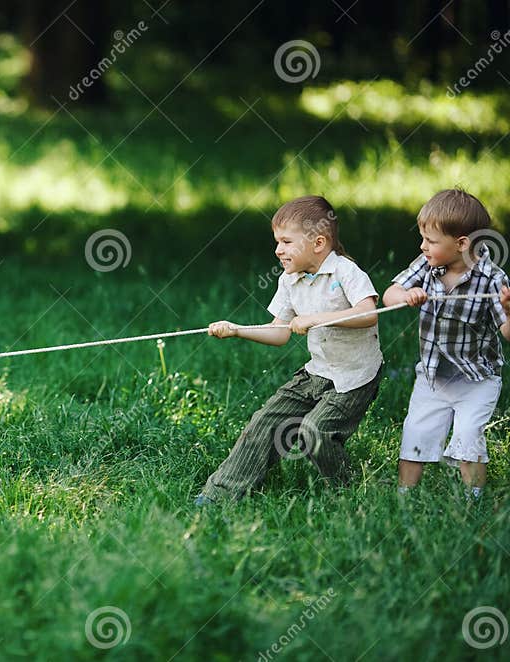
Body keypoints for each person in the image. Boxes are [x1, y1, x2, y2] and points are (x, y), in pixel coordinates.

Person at [195, 196, 383, 503]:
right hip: (318, 372)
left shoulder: (346, 273)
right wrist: (236, 330)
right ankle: (221, 494)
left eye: (286, 241)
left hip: (355, 377)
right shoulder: (289, 279)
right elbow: (279, 333)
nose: (278, 249)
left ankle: (349, 493)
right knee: (265, 420)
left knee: (314, 432)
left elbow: (368, 314)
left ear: (319, 243)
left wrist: (315, 319)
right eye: (276, 241)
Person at [383, 189, 510, 499]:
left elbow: (507, 333)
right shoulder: (425, 266)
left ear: (462, 243)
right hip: (432, 377)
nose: (422, 246)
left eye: (431, 240)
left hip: (477, 380)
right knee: (416, 435)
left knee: (468, 437)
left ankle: (473, 500)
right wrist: (406, 296)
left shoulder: (493, 280)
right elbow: (390, 295)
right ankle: (405, 496)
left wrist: (508, 310)